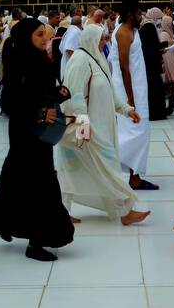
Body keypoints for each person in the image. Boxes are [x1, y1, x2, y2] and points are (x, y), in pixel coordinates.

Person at [0, 18, 75, 261]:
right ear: (27, 37)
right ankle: (37, 242)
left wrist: (57, 95)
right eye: (39, 35)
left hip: (37, 132)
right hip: (27, 132)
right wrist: (40, 112)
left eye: (45, 35)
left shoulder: (40, 61)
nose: (46, 39)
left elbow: (38, 94)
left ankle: (4, 221)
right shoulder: (21, 63)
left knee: (16, 176)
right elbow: (9, 103)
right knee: (40, 183)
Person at [56, 23, 150, 225]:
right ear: (91, 39)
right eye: (102, 39)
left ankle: (62, 212)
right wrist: (83, 126)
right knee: (99, 169)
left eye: (105, 38)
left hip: (101, 127)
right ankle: (125, 211)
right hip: (86, 128)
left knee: (80, 170)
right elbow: (75, 95)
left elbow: (108, 92)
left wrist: (127, 110)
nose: (104, 42)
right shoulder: (80, 60)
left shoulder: (96, 59)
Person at [113, 1, 157, 190]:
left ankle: (134, 174)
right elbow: (124, 68)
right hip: (128, 90)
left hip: (137, 87)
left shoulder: (132, 30)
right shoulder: (123, 32)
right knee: (135, 130)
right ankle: (133, 177)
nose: (141, 17)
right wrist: (130, 99)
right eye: (139, 14)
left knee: (139, 130)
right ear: (130, 14)